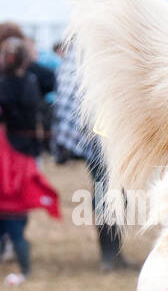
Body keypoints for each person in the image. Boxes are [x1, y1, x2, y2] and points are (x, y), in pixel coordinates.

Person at [53, 43, 131, 270]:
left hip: (107, 133)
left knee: (115, 193)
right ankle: (109, 255)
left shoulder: (92, 52)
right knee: (106, 192)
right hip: (99, 136)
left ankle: (114, 252)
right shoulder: (91, 53)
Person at [0, 37, 45, 277]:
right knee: (15, 212)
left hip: (7, 155)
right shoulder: (30, 83)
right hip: (24, 153)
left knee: (2, 213)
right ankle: (17, 268)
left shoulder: (3, 83)